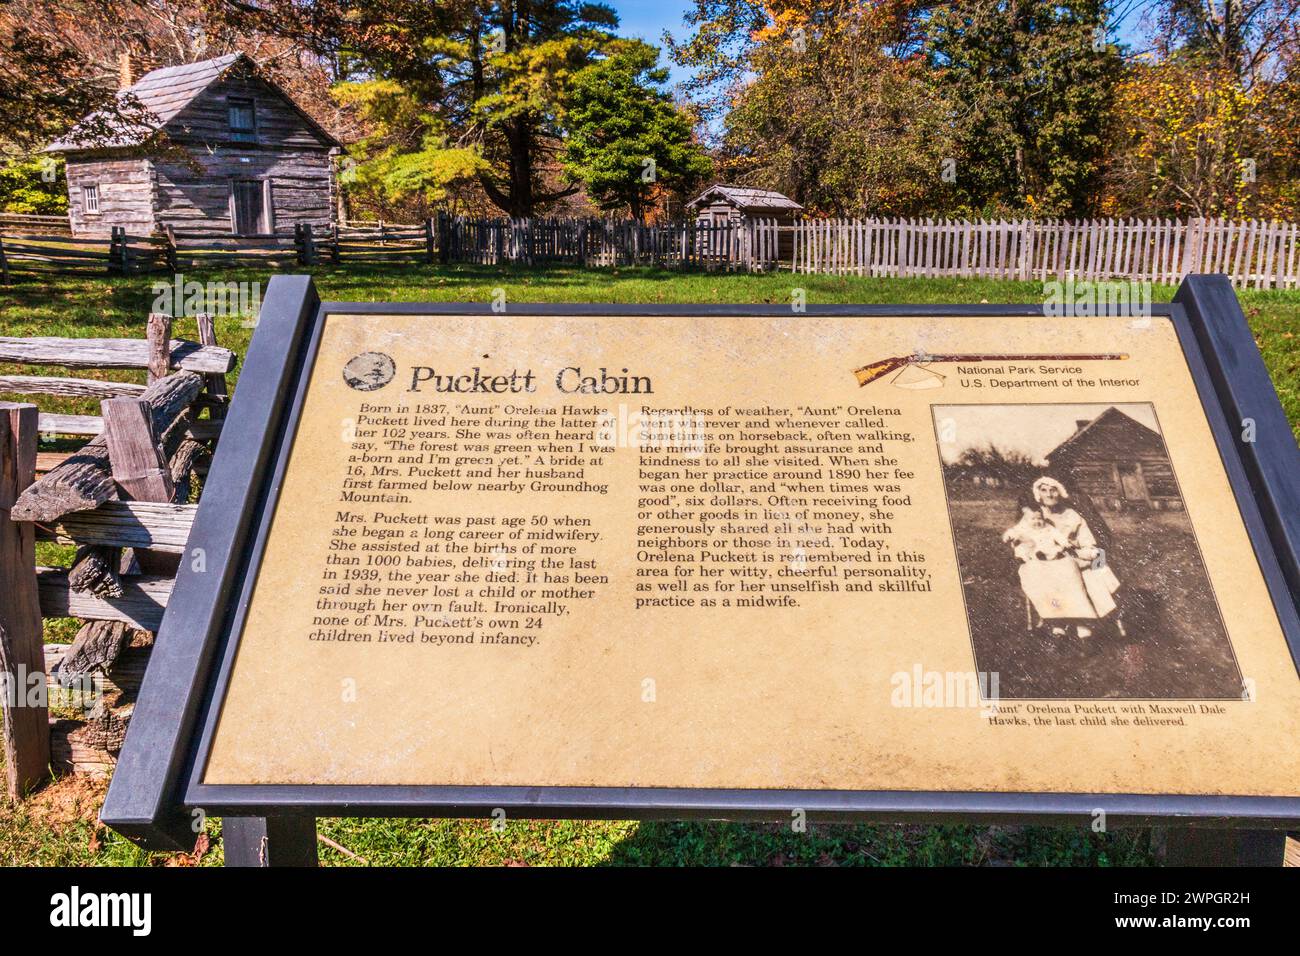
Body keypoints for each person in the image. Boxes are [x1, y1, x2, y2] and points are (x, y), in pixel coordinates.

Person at [1007, 476, 1122, 639]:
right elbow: (1021, 538)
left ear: (1059, 492)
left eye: (1053, 490)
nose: (1049, 494)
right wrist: (1024, 554)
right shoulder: (1034, 516)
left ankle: (1082, 627)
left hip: (1073, 556)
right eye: (1044, 490)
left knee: (1088, 571)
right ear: (1038, 494)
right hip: (1043, 561)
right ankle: (1058, 624)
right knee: (1040, 574)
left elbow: (1087, 539)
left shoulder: (1072, 515)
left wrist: (1087, 552)